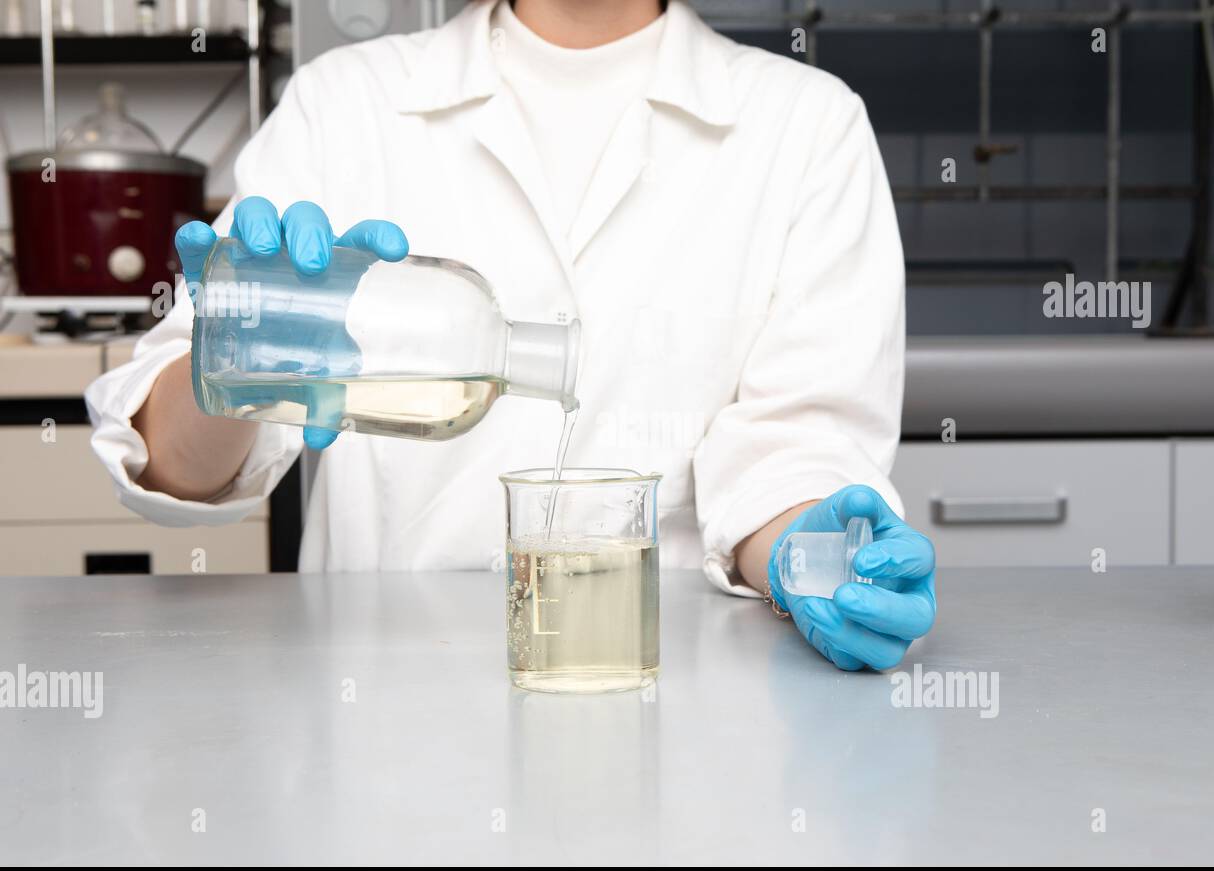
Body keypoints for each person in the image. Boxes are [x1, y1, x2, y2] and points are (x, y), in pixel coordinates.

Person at [86, 0, 936, 671]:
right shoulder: (345, 103)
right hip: (384, 719)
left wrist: (808, 552)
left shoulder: (807, 127)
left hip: (679, 693)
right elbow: (176, 469)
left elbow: (787, 454)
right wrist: (236, 365)